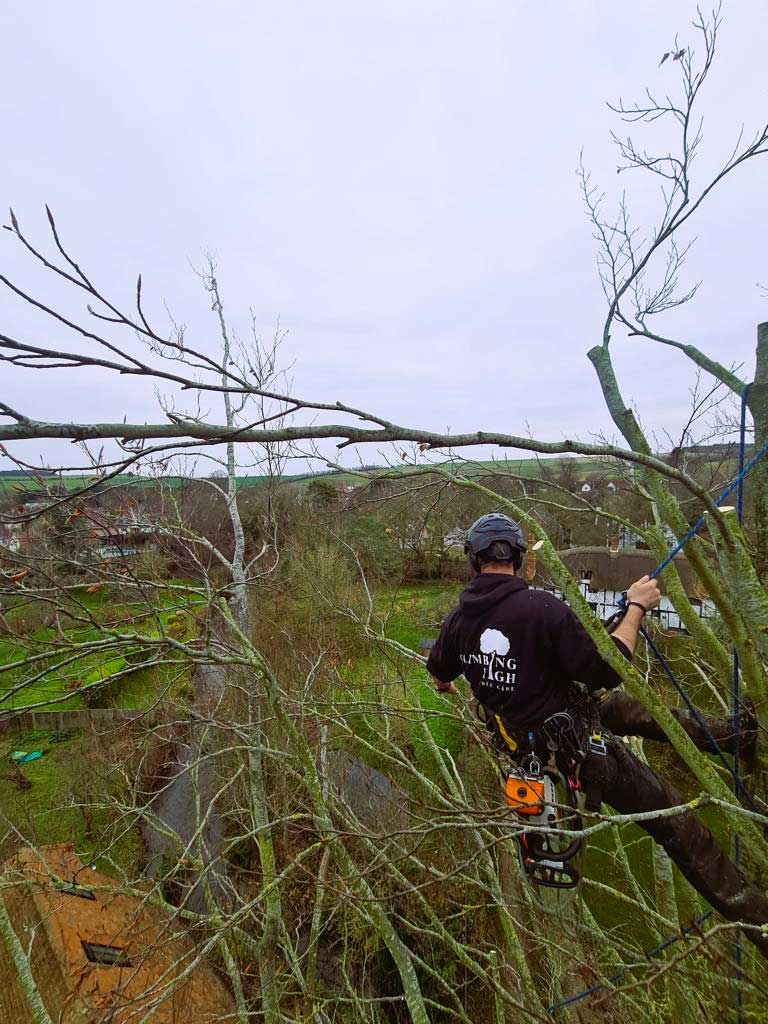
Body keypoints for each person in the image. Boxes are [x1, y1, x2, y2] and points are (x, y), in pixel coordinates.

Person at [426, 512, 768, 959]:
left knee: (637, 711)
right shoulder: (542, 609)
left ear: (474, 561)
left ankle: (733, 739)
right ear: (517, 558)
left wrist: (459, 680)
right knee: (678, 826)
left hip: (551, 728)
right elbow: (610, 668)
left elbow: (439, 674)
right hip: (578, 753)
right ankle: (760, 921)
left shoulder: (457, 622)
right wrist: (637, 608)